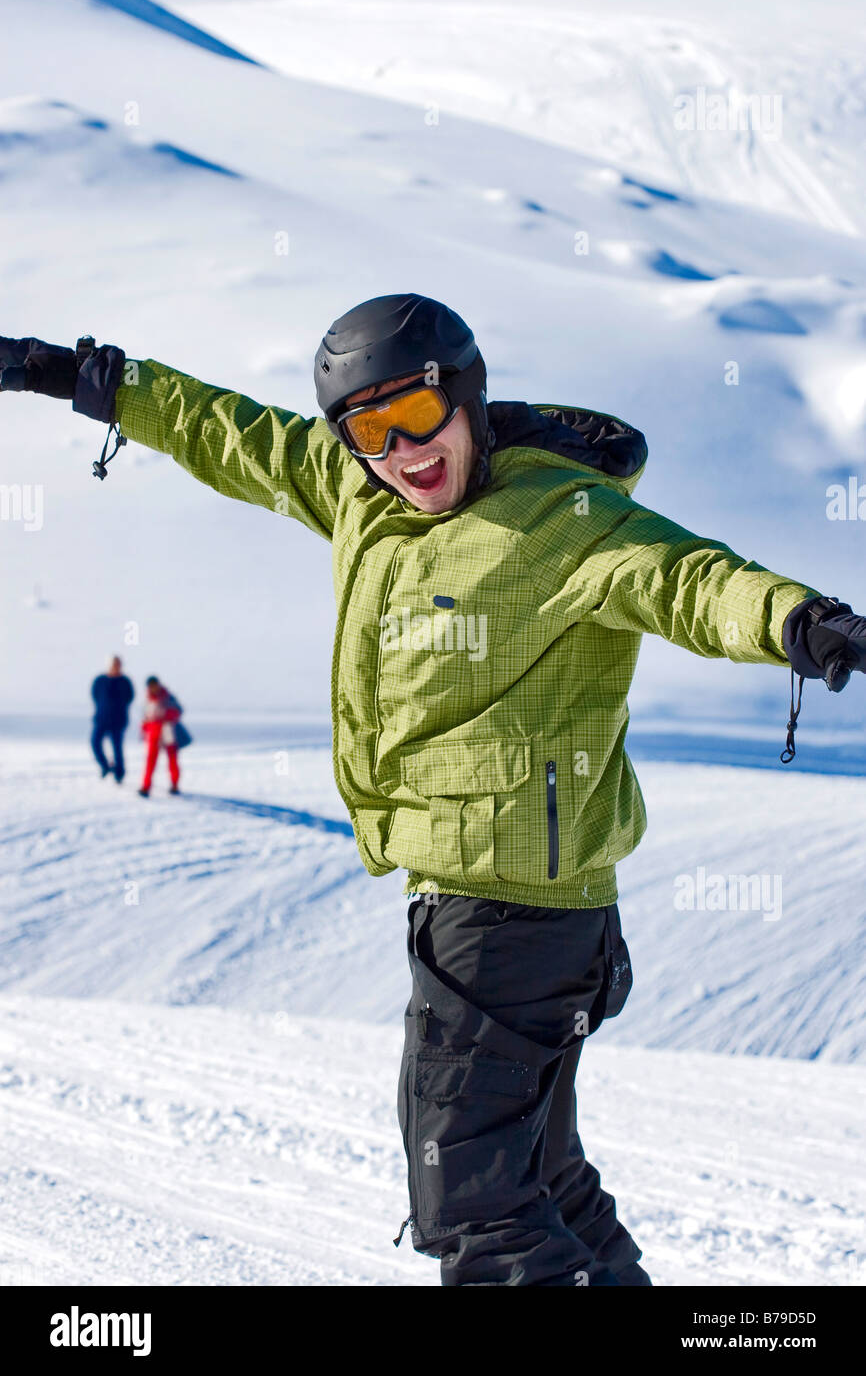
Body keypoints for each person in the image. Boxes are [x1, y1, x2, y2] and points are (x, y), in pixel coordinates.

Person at [2, 303, 865, 1288]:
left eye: (416, 411)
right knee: (537, 1173)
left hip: (507, 917)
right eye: (369, 430)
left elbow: (689, 579)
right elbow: (225, 430)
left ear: (465, 393)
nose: (402, 450)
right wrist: (64, 375)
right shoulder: (361, 495)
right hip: (517, 911)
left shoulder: (565, 517)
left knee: (471, 1201)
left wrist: (799, 619)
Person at [90, 654, 134, 784]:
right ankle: (105, 765)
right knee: (95, 742)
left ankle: (119, 773)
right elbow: (95, 695)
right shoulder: (100, 680)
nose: (116, 666)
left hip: (118, 720)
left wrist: (118, 708)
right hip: (101, 719)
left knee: (117, 748)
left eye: (118, 664)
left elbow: (129, 698)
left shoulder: (125, 681)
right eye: (114, 664)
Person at [138, 675, 183, 798]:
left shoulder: (168, 697)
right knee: (150, 761)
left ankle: (175, 784)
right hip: (153, 733)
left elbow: (178, 711)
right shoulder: (147, 700)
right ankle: (146, 786)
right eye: (151, 686)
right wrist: (145, 728)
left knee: (172, 760)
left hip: (168, 732)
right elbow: (144, 718)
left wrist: (166, 715)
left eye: (155, 685)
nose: (153, 688)